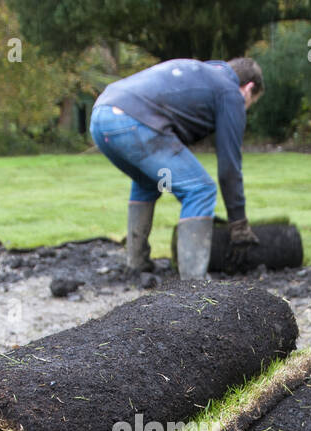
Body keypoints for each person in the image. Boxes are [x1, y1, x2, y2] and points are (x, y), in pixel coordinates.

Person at [89, 56, 263, 279]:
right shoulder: (230, 92)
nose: (245, 109)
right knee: (200, 190)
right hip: (132, 122)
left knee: (148, 183)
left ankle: (137, 264)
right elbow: (229, 166)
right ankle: (193, 283)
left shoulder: (203, 76)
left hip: (102, 116)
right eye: (250, 103)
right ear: (248, 88)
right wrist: (238, 222)